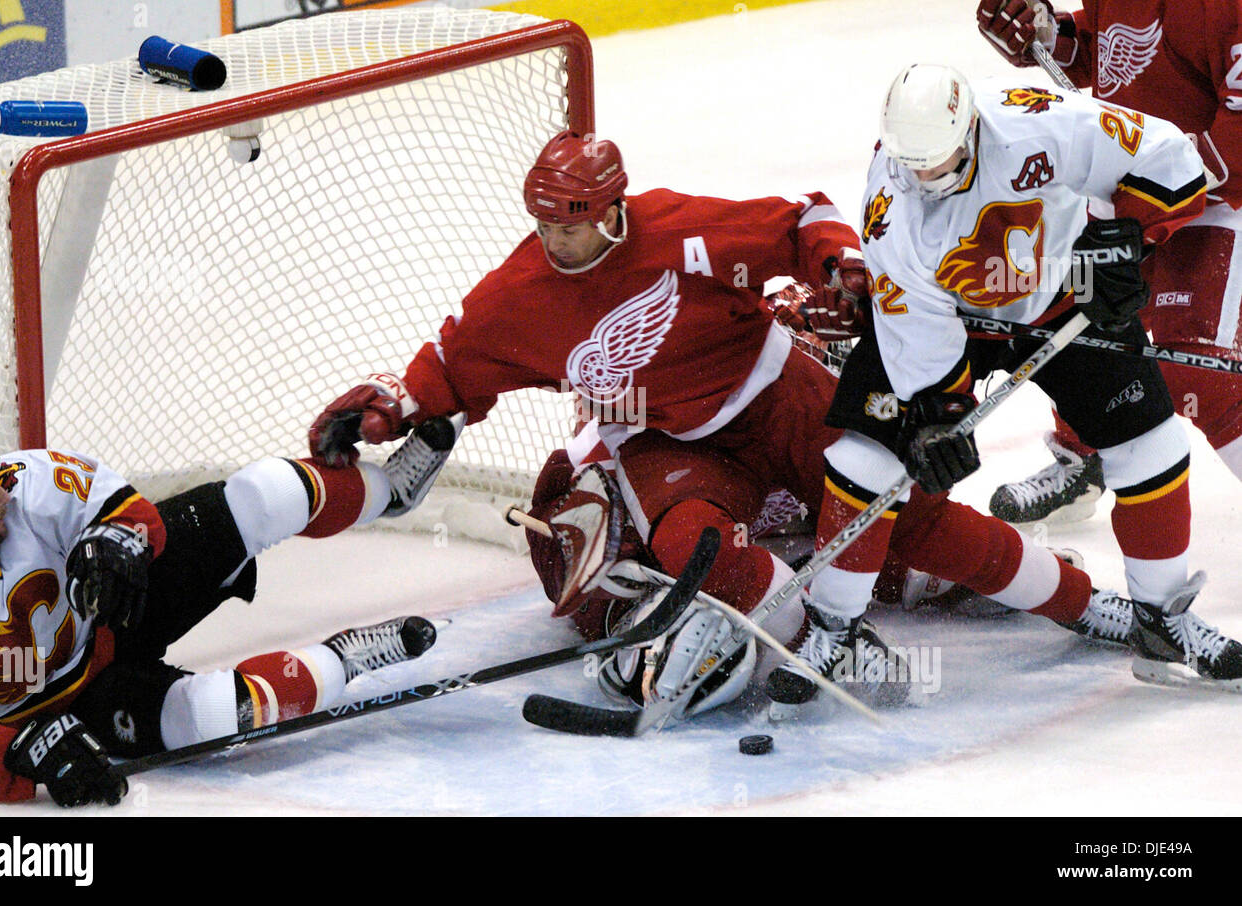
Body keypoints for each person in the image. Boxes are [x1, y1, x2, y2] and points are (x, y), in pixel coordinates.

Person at [309, 130, 1138, 724]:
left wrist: (838, 264)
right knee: (690, 547)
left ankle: (1082, 603)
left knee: (906, 518)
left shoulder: (679, 229)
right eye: (545, 224)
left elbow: (798, 218)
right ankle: (827, 640)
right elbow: (450, 370)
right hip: (663, 440)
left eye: (570, 224)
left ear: (611, 208)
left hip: (778, 391)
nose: (554, 240)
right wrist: (387, 405)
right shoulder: (518, 297)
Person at [790, 61, 1241, 704]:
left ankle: (1163, 621)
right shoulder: (890, 206)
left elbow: (1167, 156)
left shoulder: (1044, 123)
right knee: (868, 457)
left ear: (971, 128)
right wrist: (938, 416)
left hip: (1062, 301)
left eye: (939, 164)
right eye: (913, 164)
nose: (926, 180)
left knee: (1153, 445)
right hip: (952, 319)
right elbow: (915, 323)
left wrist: (1129, 239)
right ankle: (832, 629)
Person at [0, 417, 458, 806]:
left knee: (265, 495)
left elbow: (124, 509)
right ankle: (342, 660)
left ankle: (390, 491)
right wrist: (24, 751)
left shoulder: (23, 480)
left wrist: (116, 540)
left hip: (114, 607)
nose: (3, 491)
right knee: (213, 715)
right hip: (76, 707)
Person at [977, 0, 1242, 524]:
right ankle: (1086, 457)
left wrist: (1160, 184)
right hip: (1129, 190)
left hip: (1219, 200)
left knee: (1194, 373)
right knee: (1082, 332)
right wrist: (1046, 35)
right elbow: (1108, 56)